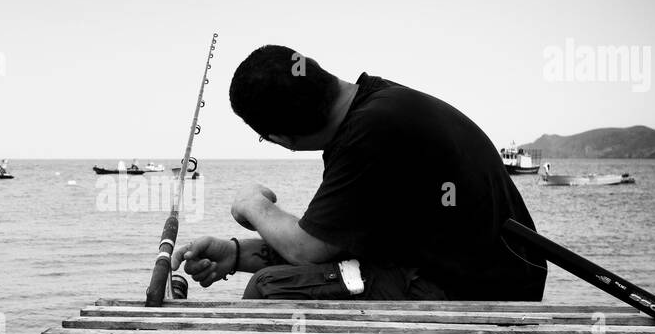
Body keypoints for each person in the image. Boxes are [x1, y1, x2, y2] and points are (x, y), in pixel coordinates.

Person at [171, 44, 547, 301]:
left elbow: (306, 248)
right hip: (489, 282)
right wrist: (234, 254)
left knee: (270, 288)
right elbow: (330, 248)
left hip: (474, 297)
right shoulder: (380, 108)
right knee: (316, 277)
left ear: (281, 138)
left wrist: (252, 205)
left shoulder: (369, 133)